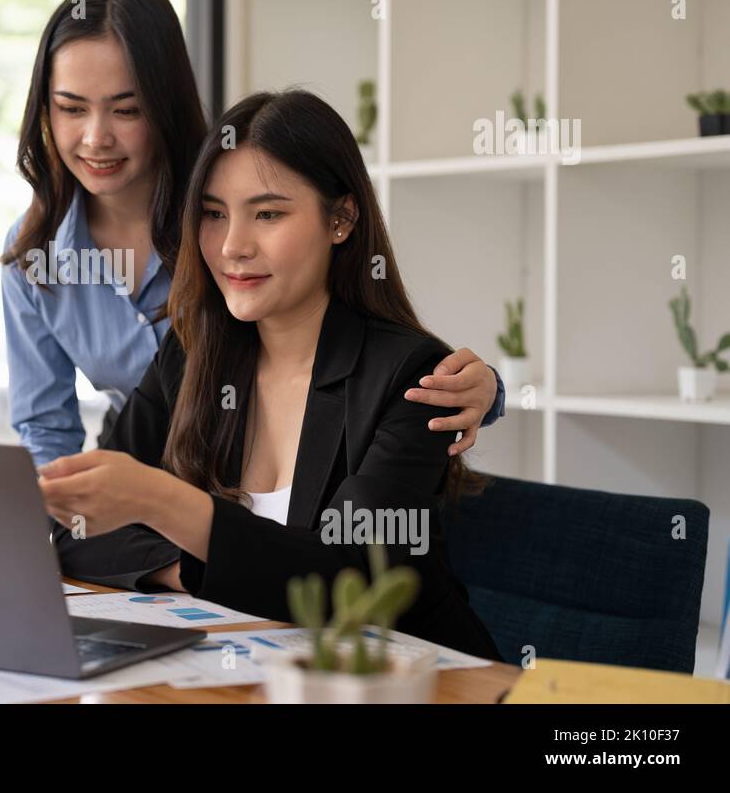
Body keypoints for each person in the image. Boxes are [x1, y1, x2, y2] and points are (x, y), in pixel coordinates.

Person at [36, 89, 502, 660]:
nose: (232, 246)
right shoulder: (191, 354)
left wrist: (159, 503)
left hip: (411, 684)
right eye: (213, 214)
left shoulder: (414, 377)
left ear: (341, 219)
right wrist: (197, 568)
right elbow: (80, 537)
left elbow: (344, 582)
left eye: (268, 214)